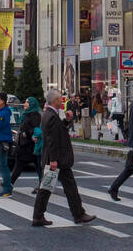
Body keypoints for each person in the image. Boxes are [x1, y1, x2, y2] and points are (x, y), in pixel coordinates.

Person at [31, 88, 96, 227]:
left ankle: (39, 216)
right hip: (57, 159)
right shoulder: (51, 116)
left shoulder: (49, 114)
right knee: (65, 187)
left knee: (48, 187)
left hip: (54, 158)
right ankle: (78, 214)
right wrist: (54, 160)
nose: (62, 101)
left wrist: (66, 120)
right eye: (60, 99)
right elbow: (52, 140)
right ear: (55, 101)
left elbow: (57, 131)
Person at [10, 96, 44, 191]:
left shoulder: (35, 116)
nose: (25, 104)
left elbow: (36, 129)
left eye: (27, 102)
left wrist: (27, 133)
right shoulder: (26, 114)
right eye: (25, 102)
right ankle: (10, 182)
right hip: (24, 144)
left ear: (32, 104)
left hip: (30, 145)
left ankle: (10, 183)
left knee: (34, 165)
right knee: (25, 164)